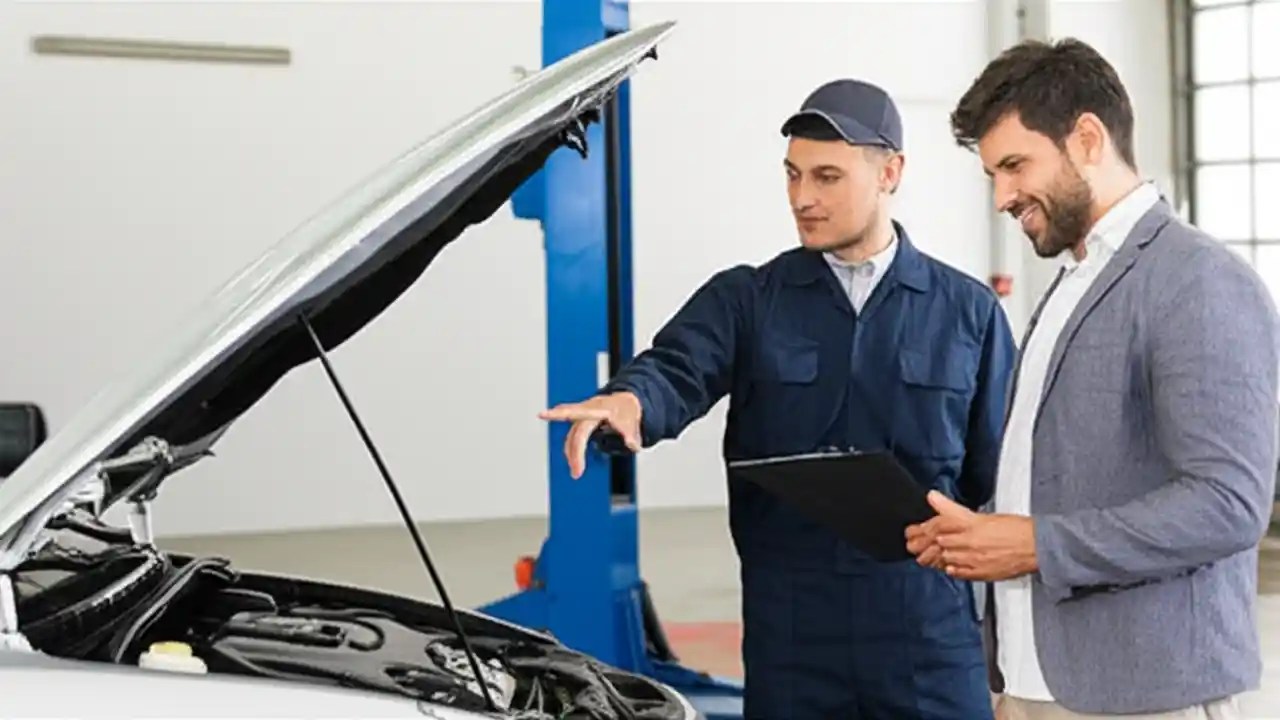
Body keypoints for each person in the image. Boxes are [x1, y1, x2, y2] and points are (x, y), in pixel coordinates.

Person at [539, 78, 1017, 719]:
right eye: (792, 176)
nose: (802, 198)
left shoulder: (968, 313)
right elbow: (677, 367)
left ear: (890, 173)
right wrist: (631, 400)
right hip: (793, 638)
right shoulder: (749, 300)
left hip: (926, 638)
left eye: (826, 177)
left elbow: (1000, 476)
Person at [905, 37, 1280, 720]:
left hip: (1142, 696)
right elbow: (1071, 476)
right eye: (993, 174)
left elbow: (1227, 503)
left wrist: (1033, 544)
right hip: (1034, 683)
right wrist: (980, 532)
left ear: (1086, 138)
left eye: (1015, 166)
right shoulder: (1074, 282)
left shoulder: (1198, 281)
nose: (1002, 196)